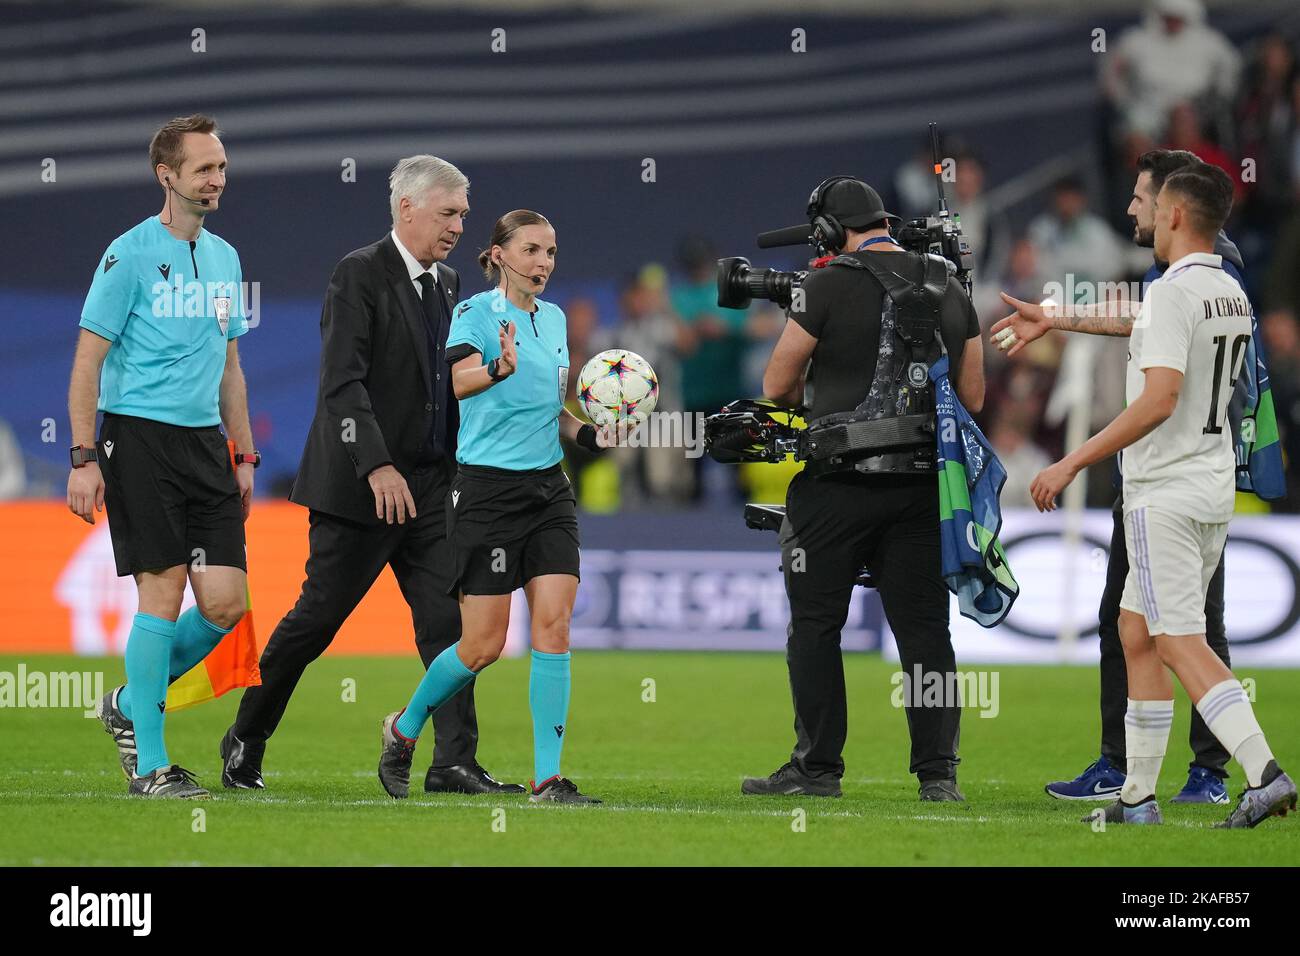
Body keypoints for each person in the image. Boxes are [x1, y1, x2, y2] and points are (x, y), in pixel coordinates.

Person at [221, 156, 523, 797]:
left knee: (450, 625)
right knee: (316, 622)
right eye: (448, 213)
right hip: (361, 490)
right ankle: (247, 734)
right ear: (406, 208)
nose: (458, 227)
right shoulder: (358, 275)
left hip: (431, 486)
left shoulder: (448, 285)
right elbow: (341, 385)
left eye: (464, 215)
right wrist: (377, 465)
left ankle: (453, 762)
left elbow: (446, 386)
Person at [994, 149, 1278, 804]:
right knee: (1133, 630)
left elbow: (1159, 397)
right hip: (1203, 479)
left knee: (1181, 637)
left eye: (1140, 198)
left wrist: (1070, 462)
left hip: (1166, 485)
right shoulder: (1226, 286)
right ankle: (1136, 795)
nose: (1129, 208)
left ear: (1174, 210)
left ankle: (1260, 774)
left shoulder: (1177, 286)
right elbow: (1144, 317)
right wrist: (1058, 316)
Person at [743, 177, 985, 801]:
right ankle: (939, 776)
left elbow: (777, 384)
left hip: (837, 486)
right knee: (927, 633)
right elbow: (975, 397)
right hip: (923, 488)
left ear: (826, 230)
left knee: (817, 625)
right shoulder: (950, 283)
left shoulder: (824, 281)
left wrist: (817, 394)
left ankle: (817, 769)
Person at [376, 209, 612, 804]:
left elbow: (550, 412)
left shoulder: (554, 320)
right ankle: (404, 728)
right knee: (482, 645)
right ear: (500, 255)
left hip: (548, 491)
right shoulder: (474, 312)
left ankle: (547, 778)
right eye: (531, 250)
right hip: (487, 493)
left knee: (554, 627)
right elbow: (457, 383)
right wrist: (497, 367)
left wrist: (590, 436)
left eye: (552, 252)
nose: (544, 264)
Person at [71, 114, 254, 799]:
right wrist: (84, 455)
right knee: (163, 587)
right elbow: (89, 359)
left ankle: (126, 701)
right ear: (167, 175)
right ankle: (151, 764)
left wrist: (246, 453)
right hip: (138, 436)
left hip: (206, 441)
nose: (218, 179)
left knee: (226, 605)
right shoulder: (128, 255)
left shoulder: (228, 258)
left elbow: (231, 363)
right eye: (205, 168)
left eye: (222, 167)